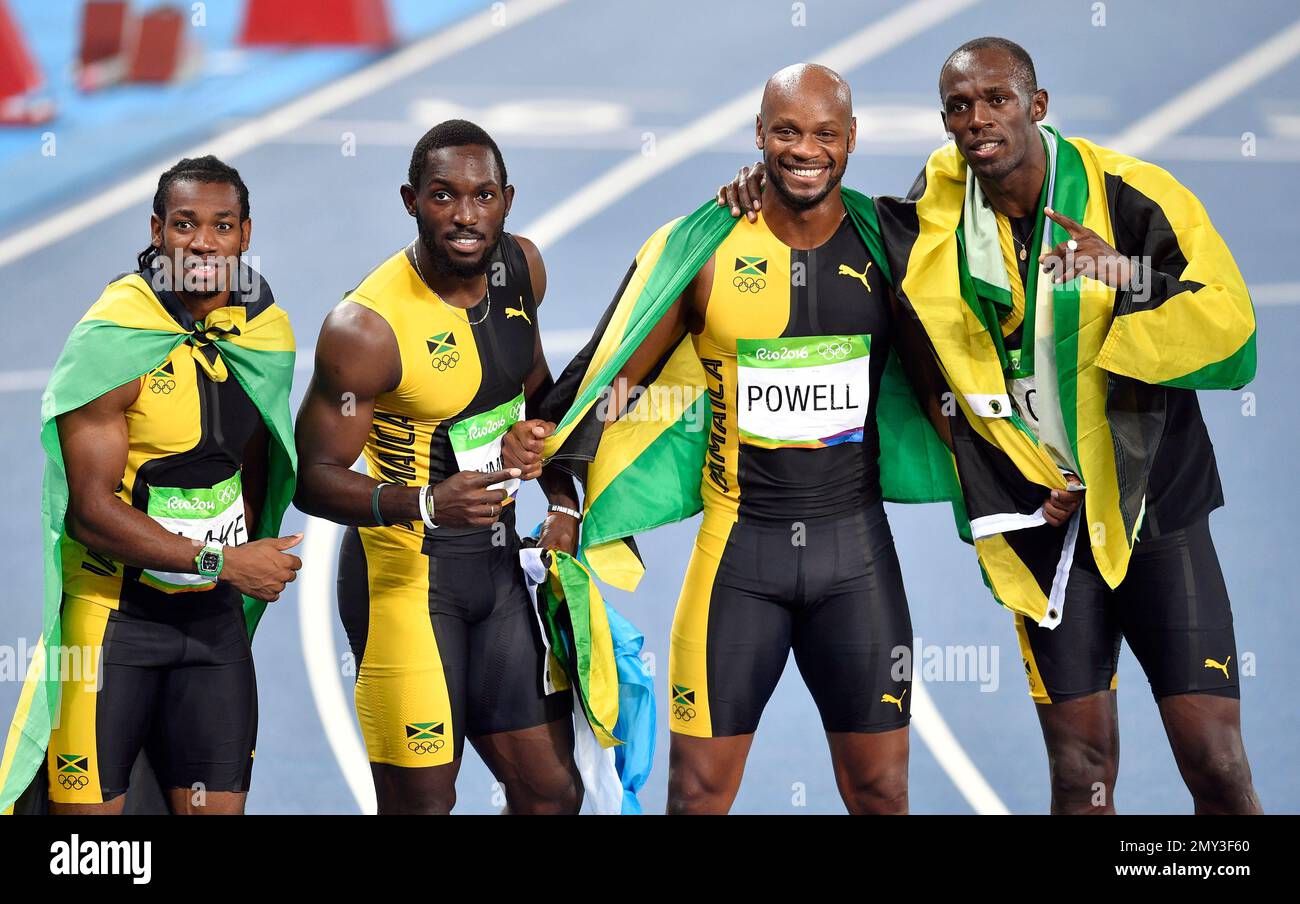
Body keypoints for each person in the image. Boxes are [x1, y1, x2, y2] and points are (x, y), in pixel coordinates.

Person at [719, 38, 1261, 815]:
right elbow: (848, 224)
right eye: (960, 106)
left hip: (1152, 509)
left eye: (998, 100)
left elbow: (1232, 327)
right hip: (1044, 519)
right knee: (1080, 771)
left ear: (1037, 106)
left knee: (1215, 761)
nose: (978, 119)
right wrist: (764, 184)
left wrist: (1125, 276)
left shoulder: (1130, 193)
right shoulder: (940, 206)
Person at [512, 65, 981, 814]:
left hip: (856, 561)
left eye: (825, 134)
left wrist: (1016, 482)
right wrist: (557, 473)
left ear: (851, 138)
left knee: (881, 792)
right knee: (697, 796)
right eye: (786, 131)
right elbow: (614, 380)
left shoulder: (890, 244)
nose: (806, 150)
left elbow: (945, 382)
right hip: (737, 561)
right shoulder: (705, 249)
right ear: (759, 134)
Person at [294, 120, 583, 815]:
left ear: (506, 200)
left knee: (551, 794)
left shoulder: (522, 269)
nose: (465, 215)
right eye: (443, 195)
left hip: (499, 574)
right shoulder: (365, 328)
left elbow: (534, 390)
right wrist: (426, 502)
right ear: (411, 201)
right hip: (407, 585)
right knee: (423, 805)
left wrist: (560, 497)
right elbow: (313, 476)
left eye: (483, 196)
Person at [0, 156, 302, 815]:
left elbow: (255, 461)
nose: (203, 243)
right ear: (158, 231)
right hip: (112, 624)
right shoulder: (116, 339)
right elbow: (89, 510)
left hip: (212, 626)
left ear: (245, 234)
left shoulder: (261, 333)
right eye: (185, 225)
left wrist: (234, 559)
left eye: (222, 226)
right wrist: (223, 561)